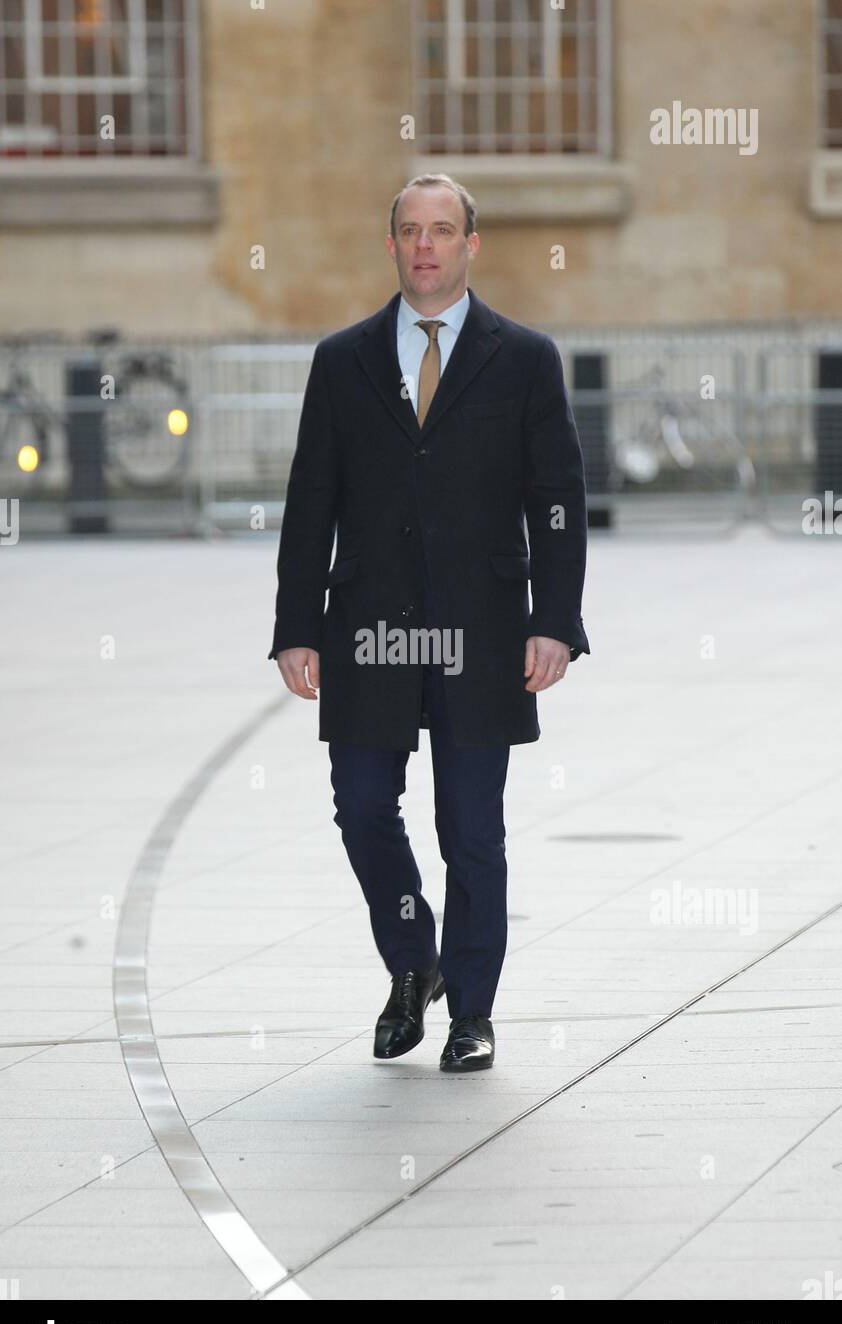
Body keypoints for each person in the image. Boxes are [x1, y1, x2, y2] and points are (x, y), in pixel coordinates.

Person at [268, 173, 590, 1073]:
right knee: (363, 807)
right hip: (368, 624)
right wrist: (298, 626)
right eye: (410, 230)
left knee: (471, 826)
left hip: (483, 628)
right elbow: (310, 501)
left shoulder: (524, 358)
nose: (426, 246)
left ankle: (472, 1015)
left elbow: (557, 499)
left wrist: (555, 622)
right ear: (391, 245)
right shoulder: (344, 359)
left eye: (443, 230)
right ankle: (414, 965)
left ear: (471, 245)